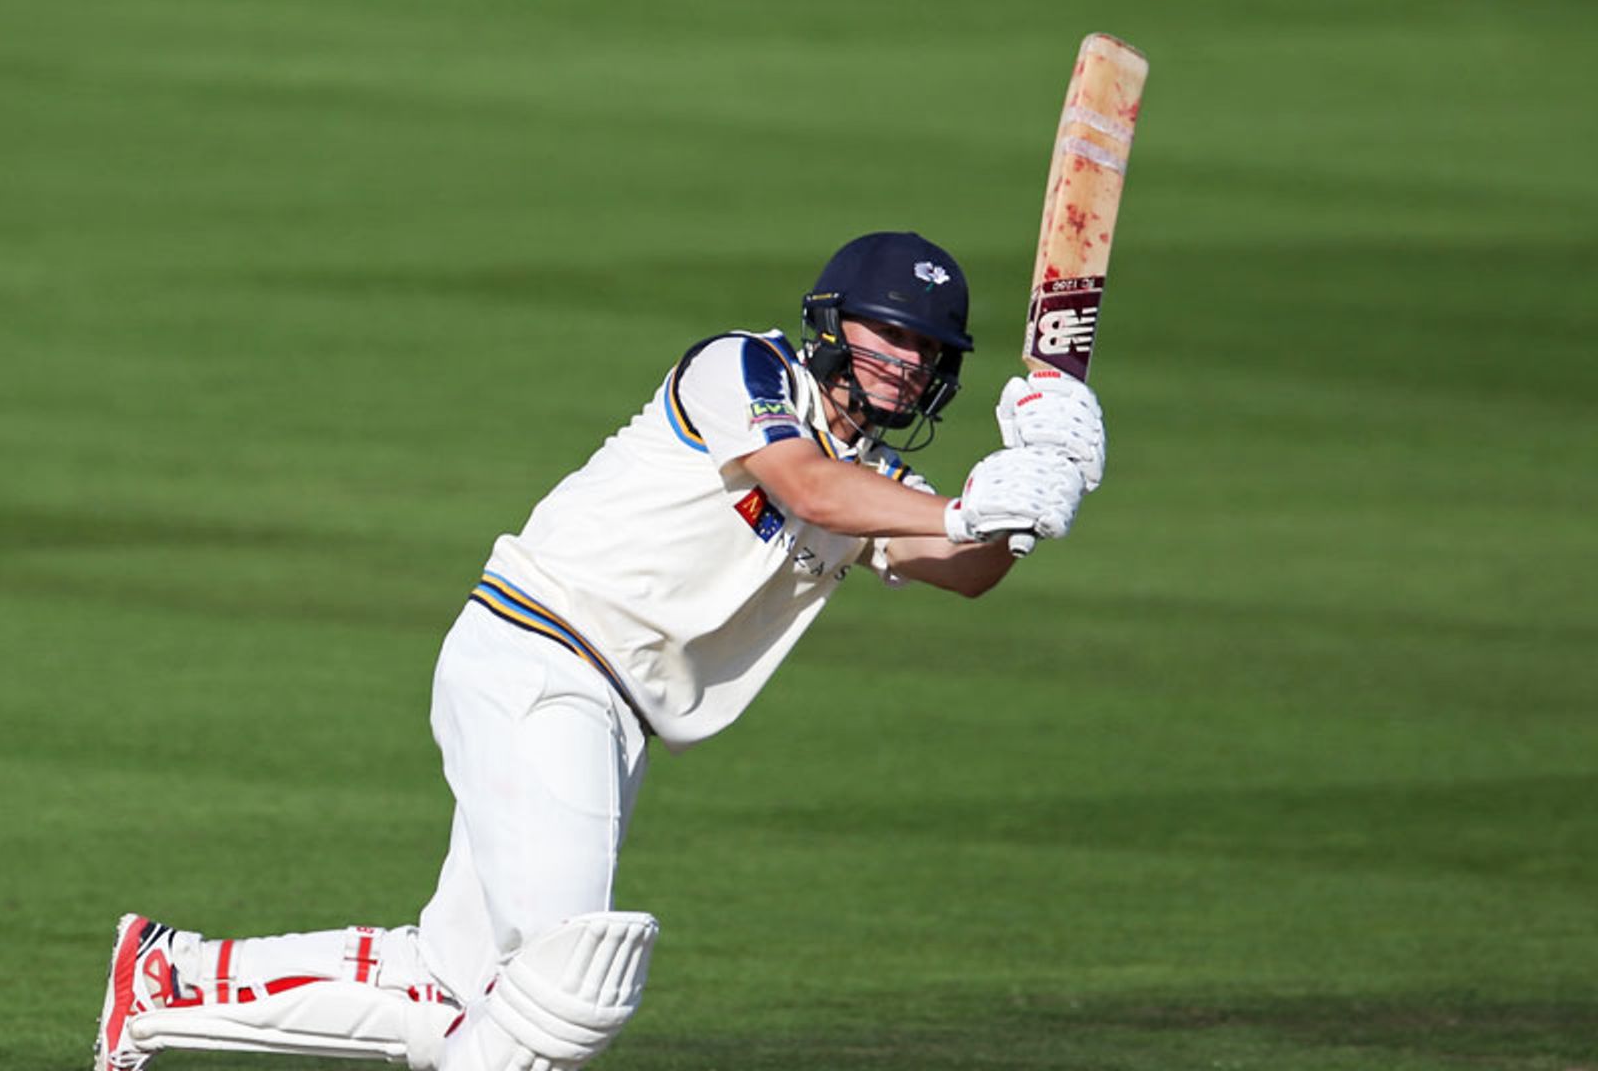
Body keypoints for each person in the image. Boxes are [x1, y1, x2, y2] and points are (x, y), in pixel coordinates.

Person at [92, 231, 1105, 1071]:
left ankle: (166, 981)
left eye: (928, 349)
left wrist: (1038, 489)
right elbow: (809, 490)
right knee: (570, 984)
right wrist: (974, 503)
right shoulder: (742, 370)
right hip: (544, 657)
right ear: (832, 321)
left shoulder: (874, 477)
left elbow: (961, 568)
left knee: (453, 985)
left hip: (608, 710)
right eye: (890, 334)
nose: (908, 362)